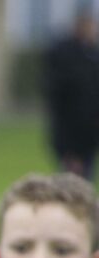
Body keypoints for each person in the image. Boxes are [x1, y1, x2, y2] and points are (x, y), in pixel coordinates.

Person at [43, 8, 99, 179]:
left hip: (89, 135)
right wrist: (66, 148)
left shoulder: (91, 55)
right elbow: (60, 103)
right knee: (72, 181)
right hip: (71, 135)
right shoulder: (66, 58)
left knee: (84, 178)